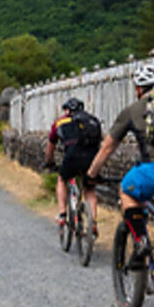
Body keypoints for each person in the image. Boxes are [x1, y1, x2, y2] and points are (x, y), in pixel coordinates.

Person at [86, 63, 154, 251]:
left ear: (138, 88)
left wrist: (91, 174)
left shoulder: (133, 109)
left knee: (127, 191)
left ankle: (140, 241)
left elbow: (107, 148)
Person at [45, 96, 103, 234]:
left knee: (61, 179)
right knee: (89, 188)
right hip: (92, 157)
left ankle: (62, 214)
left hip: (72, 155)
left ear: (67, 110)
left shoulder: (60, 122)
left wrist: (49, 162)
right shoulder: (91, 120)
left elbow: (50, 146)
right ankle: (93, 223)